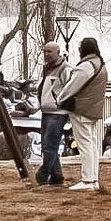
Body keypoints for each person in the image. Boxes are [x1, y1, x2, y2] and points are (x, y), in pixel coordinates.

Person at [57, 37, 108, 191]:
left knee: (84, 145)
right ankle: (93, 180)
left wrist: (59, 99)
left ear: (83, 49)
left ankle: (87, 180)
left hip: (81, 110)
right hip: (93, 110)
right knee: (92, 145)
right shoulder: (100, 64)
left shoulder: (86, 66)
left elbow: (71, 86)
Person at [35, 41, 72, 187]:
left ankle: (43, 174)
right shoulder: (47, 69)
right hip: (47, 111)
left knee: (49, 145)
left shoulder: (65, 68)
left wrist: (63, 105)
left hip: (57, 112)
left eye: (49, 52)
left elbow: (71, 88)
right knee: (49, 145)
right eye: (45, 51)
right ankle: (56, 176)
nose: (46, 54)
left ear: (58, 52)